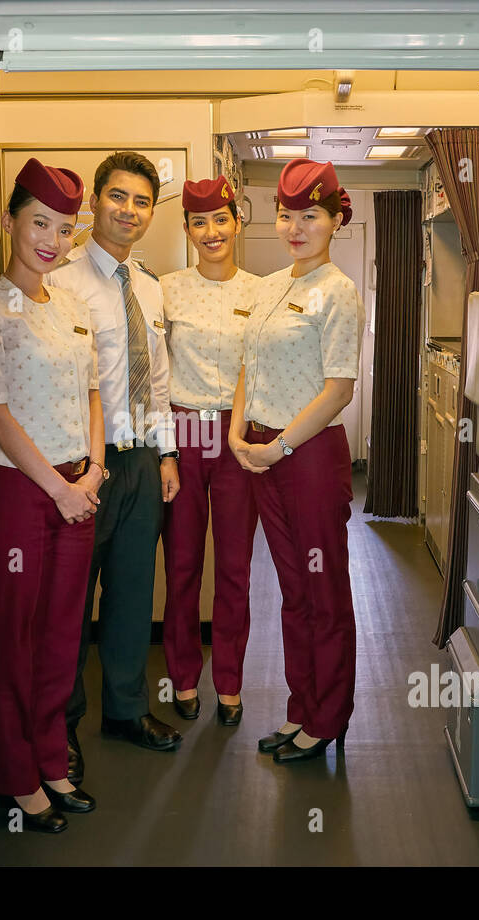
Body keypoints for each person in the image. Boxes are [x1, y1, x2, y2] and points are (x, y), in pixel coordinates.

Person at [0, 158, 105, 832]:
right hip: (24, 493)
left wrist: (96, 472)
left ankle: (53, 760)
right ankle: (14, 777)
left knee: (61, 637)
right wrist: (58, 489)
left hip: (77, 490)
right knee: (16, 641)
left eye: (64, 228)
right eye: (39, 222)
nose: (51, 239)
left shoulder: (75, 308)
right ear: (12, 222)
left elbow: (93, 394)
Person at [47, 150, 183, 782]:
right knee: (71, 603)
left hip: (140, 465)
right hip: (83, 467)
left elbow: (155, 380)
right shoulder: (62, 283)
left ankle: (125, 711)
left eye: (142, 201)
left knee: (131, 596)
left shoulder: (150, 288)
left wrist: (168, 452)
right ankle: (62, 729)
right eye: (118, 197)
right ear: (93, 201)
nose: (129, 211)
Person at [228, 158, 365, 763]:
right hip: (260, 451)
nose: (295, 227)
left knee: (323, 589)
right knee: (291, 590)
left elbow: (339, 389)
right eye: (286, 215)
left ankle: (327, 716)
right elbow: (247, 366)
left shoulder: (338, 292)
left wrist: (278, 446)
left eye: (310, 215)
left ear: (335, 220)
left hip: (306, 455)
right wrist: (237, 435)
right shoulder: (269, 285)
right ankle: (300, 708)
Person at [159, 175, 261, 726]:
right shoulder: (167, 289)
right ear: (188, 230)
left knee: (235, 566)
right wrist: (165, 451)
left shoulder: (261, 292)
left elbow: (260, 372)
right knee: (181, 564)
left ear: (237, 222)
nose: (212, 231)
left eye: (221, 219)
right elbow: (153, 374)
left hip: (235, 430)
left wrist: (244, 435)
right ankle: (180, 676)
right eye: (200, 222)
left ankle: (229, 682)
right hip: (184, 427)